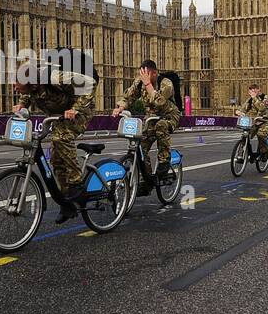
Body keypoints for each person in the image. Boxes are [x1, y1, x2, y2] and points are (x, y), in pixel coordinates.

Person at [13, 63, 96, 222]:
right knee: (56, 159)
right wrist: (22, 105)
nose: (14, 86)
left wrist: (76, 109)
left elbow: (89, 83)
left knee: (61, 138)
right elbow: (28, 94)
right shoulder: (32, 86)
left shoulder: (53, 77)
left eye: (17, 83)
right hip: (59, 114)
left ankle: (76, 182)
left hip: (80, 111)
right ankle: (67, 203)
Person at [112, 59, 181, 181]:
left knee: (161, 125)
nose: (143, 78)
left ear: (154, 73)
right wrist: (120, 108)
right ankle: (147, 179)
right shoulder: (140, 82)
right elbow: (129, 96)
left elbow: (160, 103)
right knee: (139, 145)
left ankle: (164, 160)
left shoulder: (166, 84)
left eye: (146, 74)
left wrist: (148, 84)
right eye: (142, 74)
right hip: (151, 118)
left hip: (169, 116)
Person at [235, 83, 268, 157]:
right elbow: (243, 108)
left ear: (259, 90)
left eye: (255, 91)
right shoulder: (249, 100)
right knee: (245, 135)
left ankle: (264, 151)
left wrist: (255, 98)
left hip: (264, 122)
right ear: (249, 92)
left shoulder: (265, 98)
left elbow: (262, 108)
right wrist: (238, 112)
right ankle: (241, 153)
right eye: (252, 91)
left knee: (261, 135)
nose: (253, 93)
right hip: (253, 123)